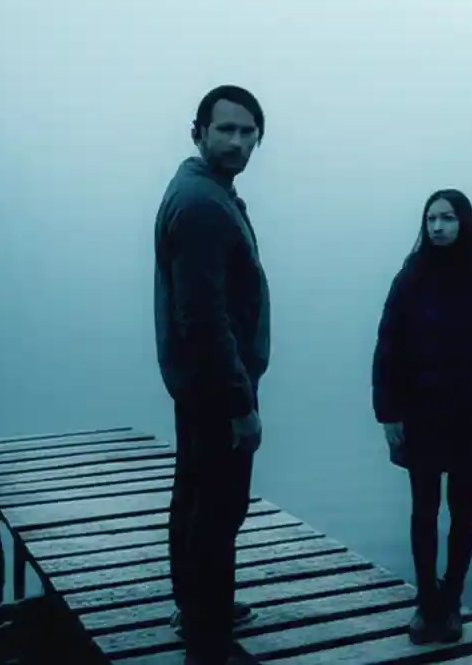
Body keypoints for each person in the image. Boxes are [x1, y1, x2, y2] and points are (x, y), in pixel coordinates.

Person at [371, 188, 472, 645]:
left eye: (448, 218)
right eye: (431, 218)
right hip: (419, 414)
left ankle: (452, 600)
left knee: (462, 510)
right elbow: (387, 349)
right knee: (423, 510)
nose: (438, 227)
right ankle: (425, 604)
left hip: (471, 417)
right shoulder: (410, 277)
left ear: (465, 223)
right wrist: (388, 412)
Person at [154, 84, 271, 664]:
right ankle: (208, 637)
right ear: (197, 131)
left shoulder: (205, 190)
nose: (238, 141)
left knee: (197, 495)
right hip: (216, 386)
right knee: (219, 507)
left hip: (198, 383)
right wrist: (241, 403)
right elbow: (204, 315)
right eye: (226, 129)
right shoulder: (201, 204)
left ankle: (201, 608)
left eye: (248, 132)